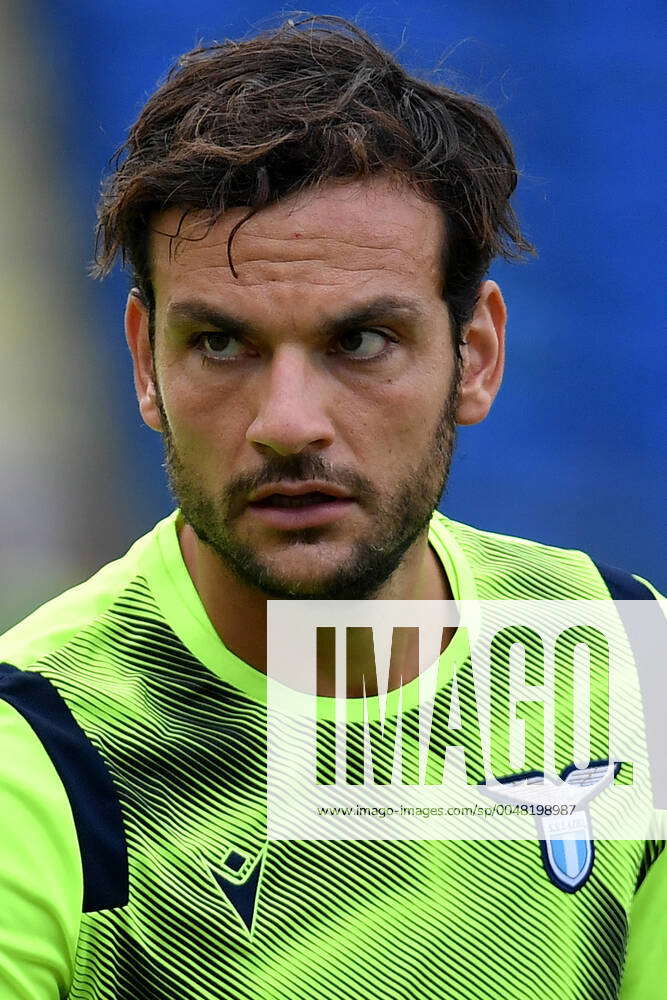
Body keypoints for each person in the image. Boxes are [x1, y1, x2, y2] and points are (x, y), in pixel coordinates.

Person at [0, 15, 663, 1000]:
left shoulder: (621, 656)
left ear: (474, 356)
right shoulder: (40, 749)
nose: (287, 423)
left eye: (359, 342)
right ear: (145, 363)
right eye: (221, 344)